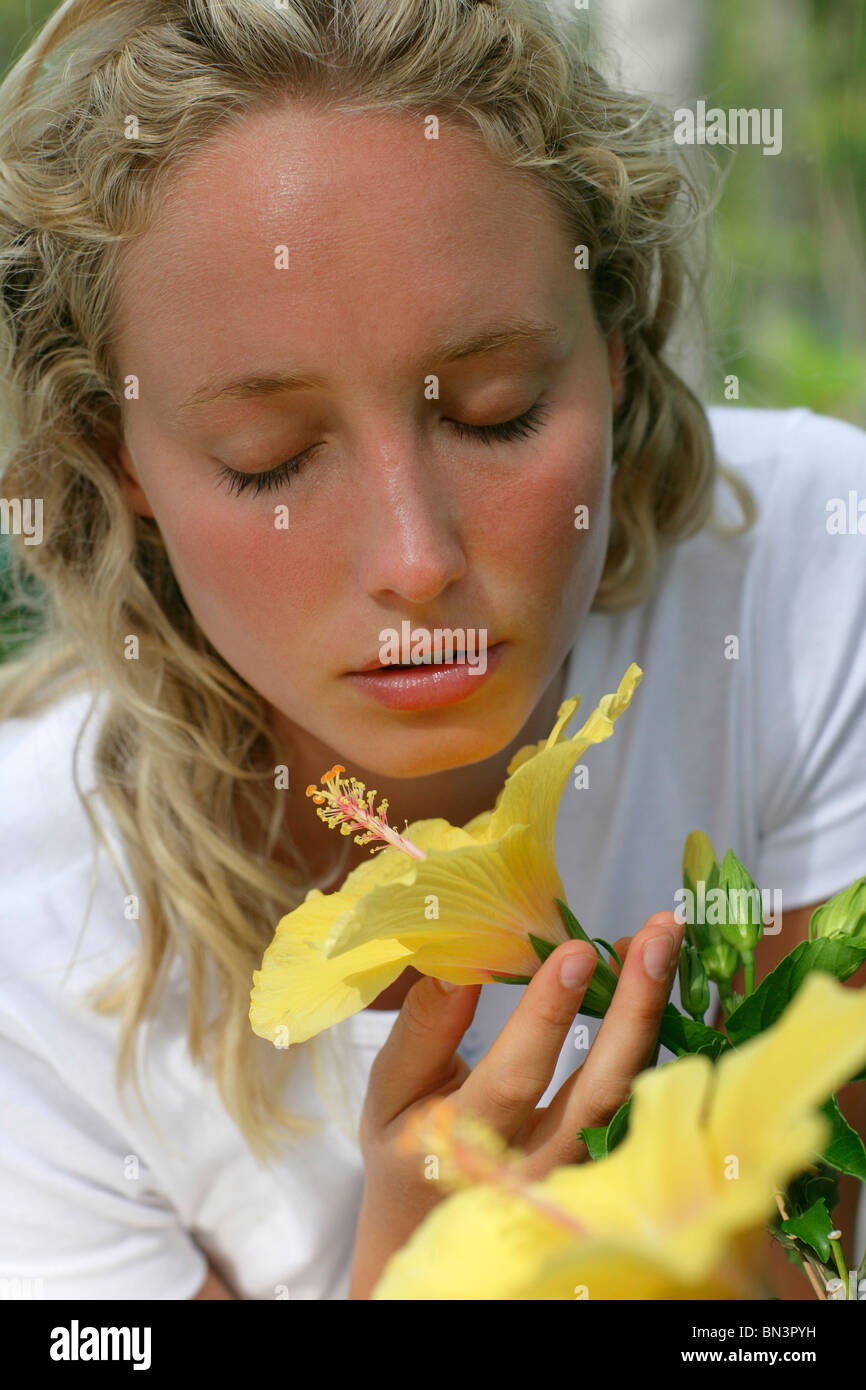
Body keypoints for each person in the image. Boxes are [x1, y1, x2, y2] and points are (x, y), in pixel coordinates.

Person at [0, 0, 863, 1302]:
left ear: (616, 359)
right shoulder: (32, 920)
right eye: (270, 458)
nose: (414, 557)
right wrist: (414, 1273)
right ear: (120, 461)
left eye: (496, 412)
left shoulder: (809, 571)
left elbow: (823, 1261)